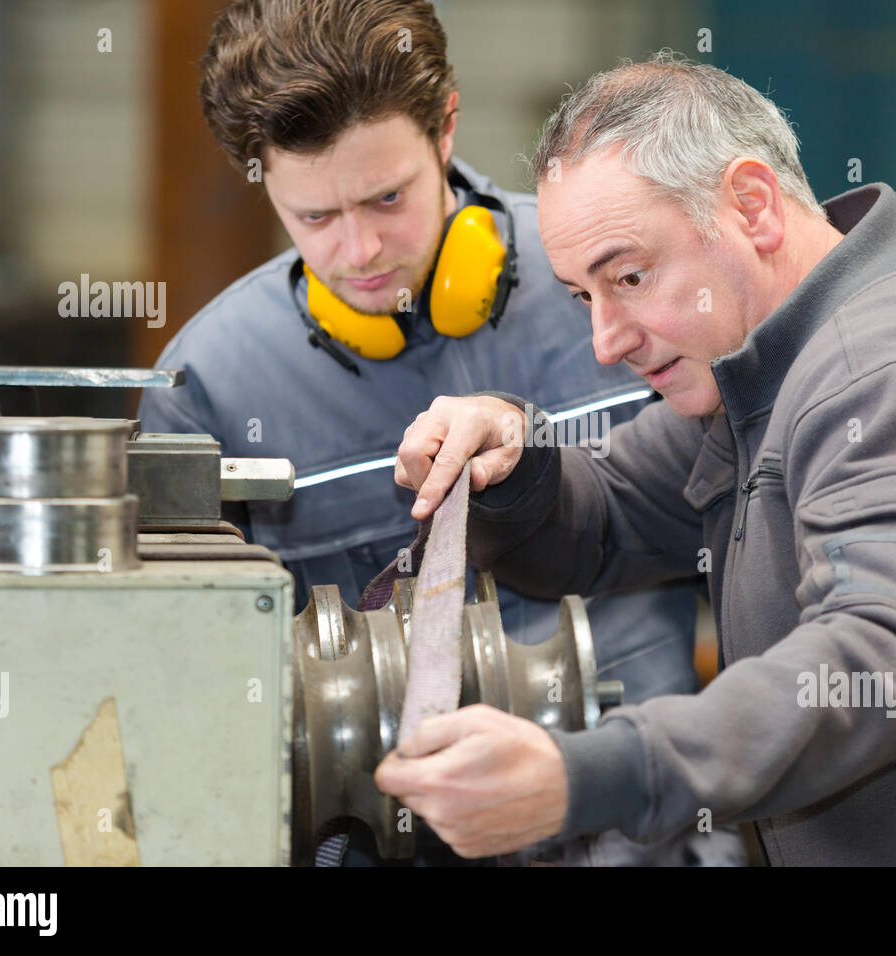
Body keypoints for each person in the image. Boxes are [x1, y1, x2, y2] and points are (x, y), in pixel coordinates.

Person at [375, 54, 896, 864]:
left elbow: (872, 667)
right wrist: (509, 462)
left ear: (754, 206)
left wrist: (583, 776)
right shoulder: (755, 363)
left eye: (629, 276)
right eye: (582, 296)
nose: (605, 342)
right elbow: (605, 517)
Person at [139, 5, 746, 866]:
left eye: (388, 197)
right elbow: (185, 702)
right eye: (314, 216)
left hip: (642, 842)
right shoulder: (208, 391)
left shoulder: (622, 287)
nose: (360, 250)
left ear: (446, 125)